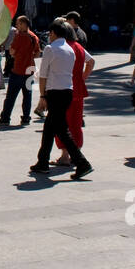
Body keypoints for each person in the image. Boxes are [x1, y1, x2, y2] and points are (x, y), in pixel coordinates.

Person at [29, 17, 93, 180]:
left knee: (62, 130)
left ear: (53, 33)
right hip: (67, 91)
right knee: (50, 129)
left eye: (49, 33)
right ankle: (42, 161)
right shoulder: (70, 49)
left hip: (54, 92)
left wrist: (42, 95)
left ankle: (82, 162)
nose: (48, 36)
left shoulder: (50, 49)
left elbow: (43, 75)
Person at [54, 23, 95, 166]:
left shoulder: (63, 47)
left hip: (64, 88)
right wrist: (82, 77)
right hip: (78, 88)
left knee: (63, 122)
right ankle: (76, 154)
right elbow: (91, 62)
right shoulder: (79, 46)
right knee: (76, 123)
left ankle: (65, 155)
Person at [0, 15, 40, 127]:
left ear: (24, 24)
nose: (16, 26)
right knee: (27, 96)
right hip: (30, 69)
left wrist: (18, 55)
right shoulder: (34, 37)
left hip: (18, 69)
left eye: (18, 23)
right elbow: (38, 53)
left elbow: (12, 51)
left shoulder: (19, 36)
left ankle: (5, 118)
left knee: (10, 97)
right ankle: (26, 118)